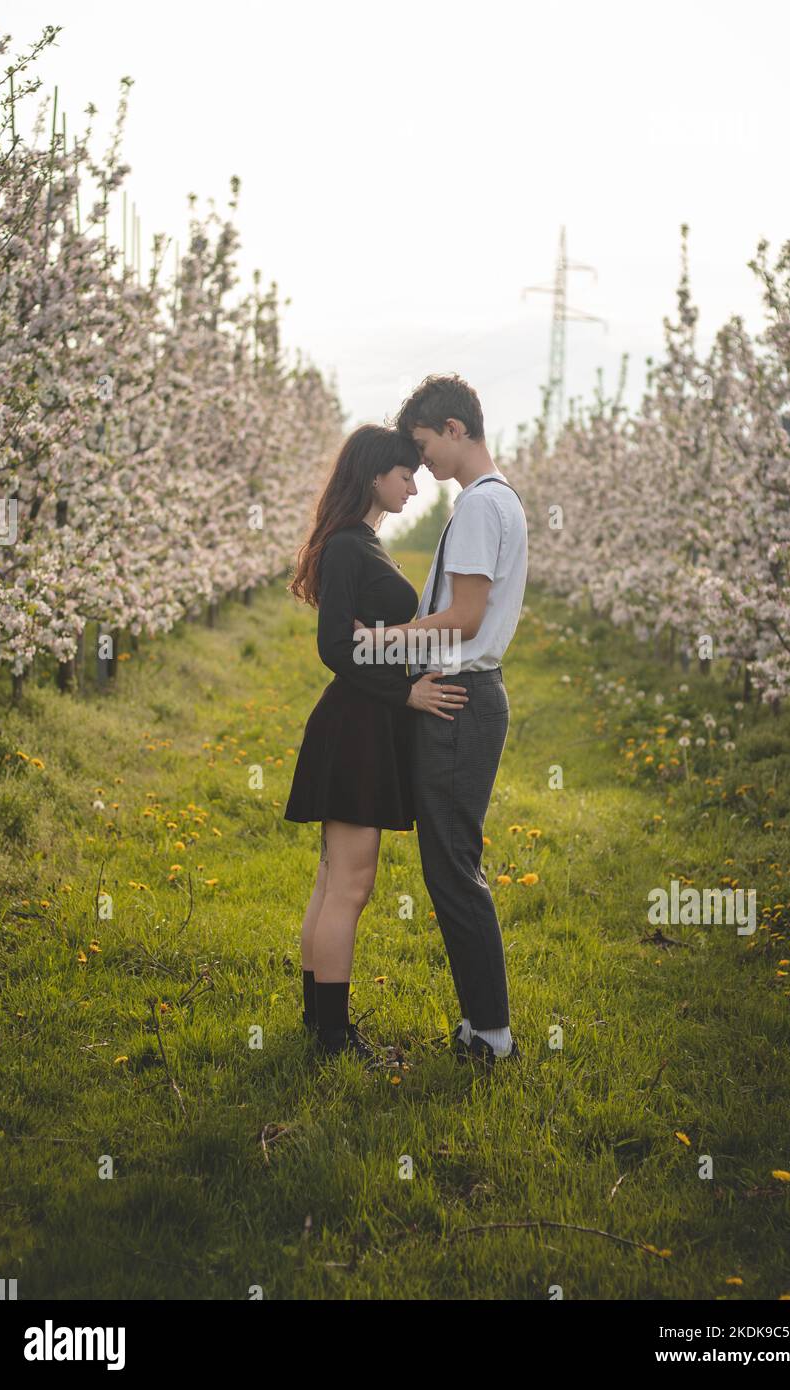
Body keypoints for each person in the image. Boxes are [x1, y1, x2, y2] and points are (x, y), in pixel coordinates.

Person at [353, 375, 528, 1070]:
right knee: (452, 863)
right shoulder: (495, 500)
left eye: (424, 445)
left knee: (454, 867)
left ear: (455, 429)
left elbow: (463, 619)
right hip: (466, 694)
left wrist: (375, 643)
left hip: (461, 698)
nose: (421, 461)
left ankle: (491, 1036)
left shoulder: (483, 508)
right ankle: (483, 1027)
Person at [284, 424, 470, 1061]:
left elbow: (362, 639)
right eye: (403, 475)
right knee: (349, 887)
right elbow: (334, 644)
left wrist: (392, 641)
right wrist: (406, 693)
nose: (414, 486)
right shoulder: (346, 548)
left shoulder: (360, 542)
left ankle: (319, 1028)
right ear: (372, 476)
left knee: (333, 879)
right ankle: (332, 1042)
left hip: (361, 725)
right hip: (358, 727)